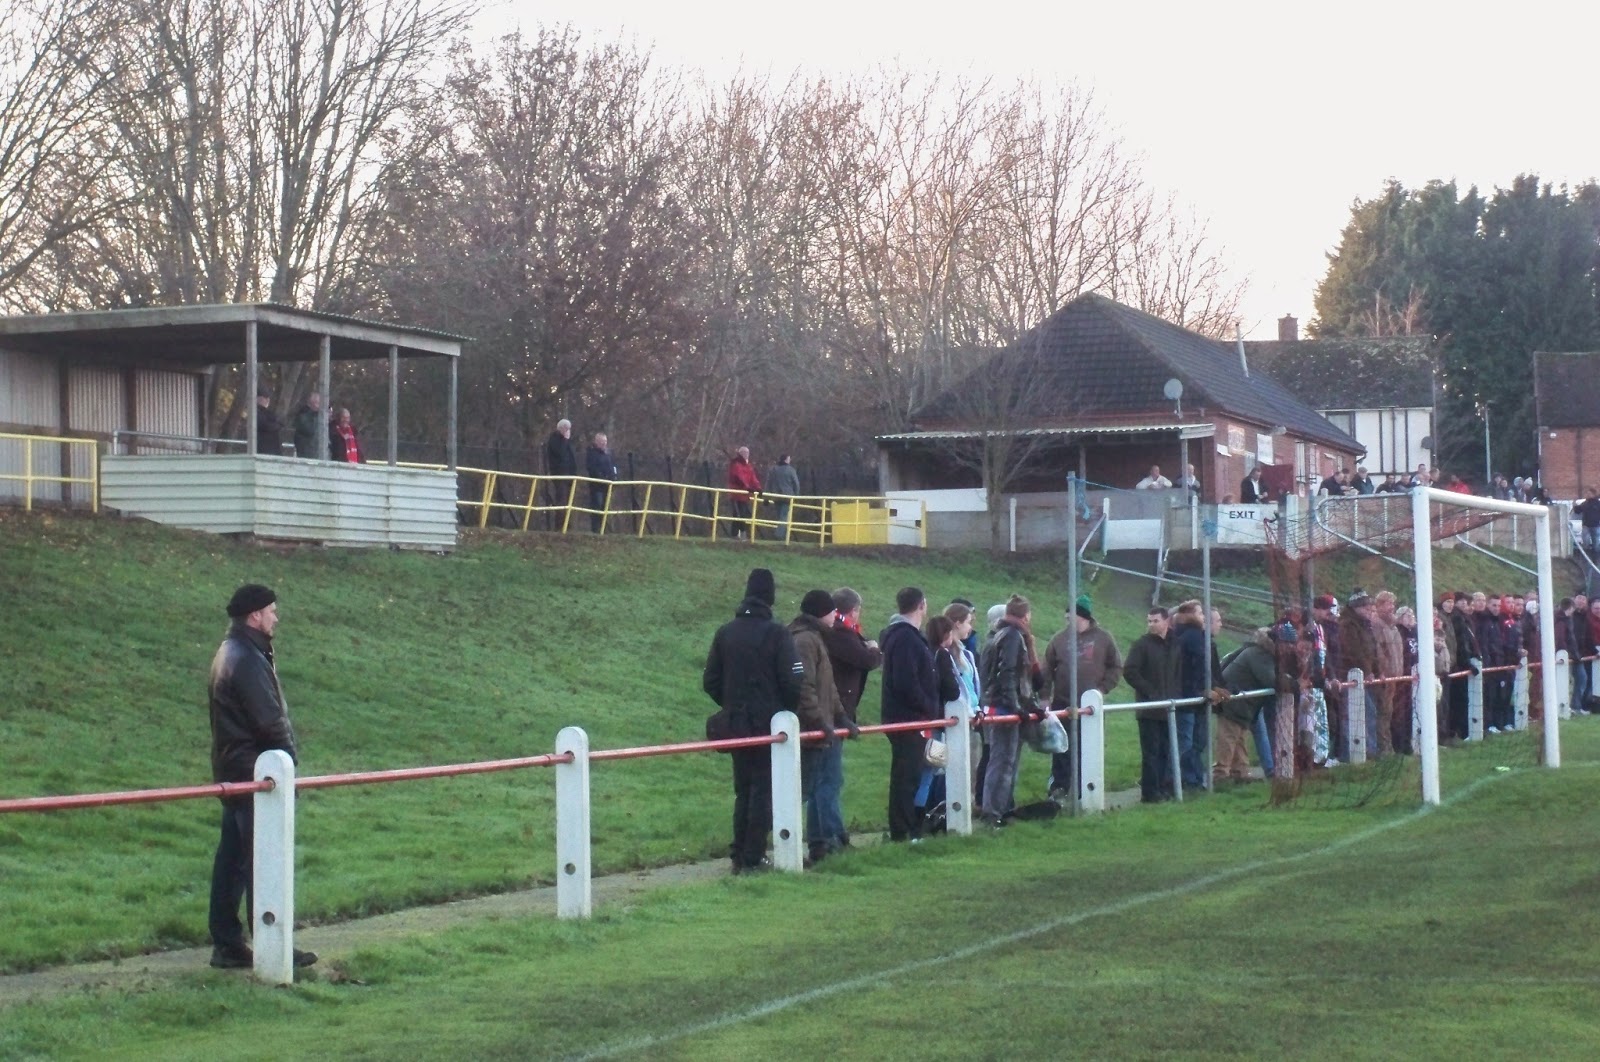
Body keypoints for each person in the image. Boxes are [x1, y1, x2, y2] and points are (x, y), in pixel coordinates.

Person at [206, 584, 315, 970]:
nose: (275, 618)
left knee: (233, 860)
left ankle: (227, 943)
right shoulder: (248, 659)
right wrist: (287, 768)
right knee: (263, 860)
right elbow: (269, 722)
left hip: (234, 771)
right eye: (271, 611)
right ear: (255, 615)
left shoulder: (232, 652)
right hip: (256, 775)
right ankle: (272, 946)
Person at [702, 568, 803, 874]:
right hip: (768, 725)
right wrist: (782, 712)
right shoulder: (777, 634)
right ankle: (753, 856)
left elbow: (710, 680)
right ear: (770, 596)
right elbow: (793, 682)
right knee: (763, 791)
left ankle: (739, 852)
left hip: (736, 724)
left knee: (743, 790)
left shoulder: (726, 633)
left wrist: (733, 705)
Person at [787, 589, 857, 865]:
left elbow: (828, 686)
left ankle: (827, 840)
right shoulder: (806, 640)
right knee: (815, 787)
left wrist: (840, 717)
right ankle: (819, 842)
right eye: (831, 612)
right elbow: (805, 686)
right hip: (813, 729)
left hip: (823, 726)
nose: (835, 617)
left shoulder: (815, 638)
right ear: (821, 613)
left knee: (826, 783)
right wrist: (819, 720)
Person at [1039, 595, 1121, 803]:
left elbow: (1115, 666)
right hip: (1062, 703)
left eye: (1071, 616)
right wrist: (1044, 696)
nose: (1068, 620)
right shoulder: (1059, 639)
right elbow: (1047, 669)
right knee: (1061, 747)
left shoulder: (1104, 639)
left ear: (1083, 616)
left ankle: (1086, 790)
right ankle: (1060, 788)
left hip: (1090, 706)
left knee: (1088, 748)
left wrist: (1101, 690)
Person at [822, 587, 882, 849]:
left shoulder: (841, 632)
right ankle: (830, 837)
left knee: (828, 778)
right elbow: (865, 659)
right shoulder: (841, 633)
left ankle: (831, 835)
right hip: (835, 713)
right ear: (854, 610)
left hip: (835, 711)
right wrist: (875, 649)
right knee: (829, 779)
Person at [880, 587, 940, 841]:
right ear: (922, 605)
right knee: (906, 778)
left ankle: (905, 829)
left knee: (908, 776)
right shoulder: (907, 639)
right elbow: (907, 682)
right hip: (908, 718)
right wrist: (928, 706)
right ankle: (902, 832)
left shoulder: (903, 637)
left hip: (905, 716)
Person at [978, 595, 1038, 824]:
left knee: (1002, 761)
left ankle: (1000, 810)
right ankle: (994, 813)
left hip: (998, 703)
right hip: (1004, 707)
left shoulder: (999, 634)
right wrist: (1016, 705)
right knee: (1003, 762)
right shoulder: (1013, 636)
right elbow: (1008, 672)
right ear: (1025, 616)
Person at [1123, 606, 1180, 802]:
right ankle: (1149, 792)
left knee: (1165, 750)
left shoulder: (1175, 644)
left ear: (1167, 621)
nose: (1151, 625)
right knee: (1151, 752)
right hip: (1148, 709)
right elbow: (1130, 671)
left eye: (1155, 621)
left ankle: (1162, 788)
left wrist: (1175, 694)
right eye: (1149, 621)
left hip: (1168, 707)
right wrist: (1150, 692)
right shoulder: (1141, 645)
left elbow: (1178, 672)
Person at [1172, 600, 1224, 790]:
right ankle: (1190, 779)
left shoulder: (1192, 637)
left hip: (1195, 697)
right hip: (1190, 698)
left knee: (1195, 741)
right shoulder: (1192, 638)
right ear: (1190, 615)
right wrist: (1204, 689)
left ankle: (1194, 778)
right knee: (1190, 742)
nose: (1203, 617)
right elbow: (1194, 669)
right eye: (1200, 613)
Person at [1218, 628, 1277, 783]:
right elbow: (1270, 679)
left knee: (1239, 737)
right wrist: (1289, 681)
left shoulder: (1257, 652)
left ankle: (1240, 771)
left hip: (1240, 701)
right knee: (1229, 738)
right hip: (1233, 700)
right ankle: (1221, 773)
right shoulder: (1258, 655)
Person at [1340, 590, 1383, 757]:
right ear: (1355, 607)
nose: (1369, 609)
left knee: (1370, 713)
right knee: (1357, 715)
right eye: (1365, 606)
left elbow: (1372, 651)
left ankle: (1370, 748)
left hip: (1366, 677)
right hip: (1352, 677)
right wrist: (1366, 671)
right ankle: (1357, 751)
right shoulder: (1348, 626)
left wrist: (1377, 671)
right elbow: (1354, 651)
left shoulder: (1366, 625)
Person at [1371, 591, 1403, 756]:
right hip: (1384, 677)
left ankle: (1388, 746)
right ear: (1380, 605)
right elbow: (1378, 652)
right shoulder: (1377, 625)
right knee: (1382, 712)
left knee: (1388, 712)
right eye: (1389, 604)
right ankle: (1383, 748)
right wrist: (1382, 671)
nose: (1392, 607)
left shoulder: (1393, 627)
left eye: (1393, 604)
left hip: (1394, 677)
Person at [726, 446, 762, 539]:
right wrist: (747, 488)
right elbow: (738, 478)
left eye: (748, 453)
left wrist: (758, 488)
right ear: (741, 453)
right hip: (736, 494)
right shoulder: (736, 464)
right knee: (738, 514)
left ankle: (739, 534)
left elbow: (753, 478)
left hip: (744, 495)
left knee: (743, 514)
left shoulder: (748, 465)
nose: (747, 455)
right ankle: (737, 534)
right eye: (745, 453)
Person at [585, 432, 617, 533]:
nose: (604, 443)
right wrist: (602, 478)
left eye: (605, 441)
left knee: (604, 507)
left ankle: (603, 529)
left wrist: (613, 477)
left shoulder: (608, 454)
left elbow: (613, 467)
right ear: (596, 442)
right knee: (596, 507)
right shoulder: (592, 454)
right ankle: (596, 530)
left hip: (607, 485)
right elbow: (592, 469)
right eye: (601, 441)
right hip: (597, 486)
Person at [764, 454, 801, 538]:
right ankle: (779, 535)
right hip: (787, 496)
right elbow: (796, 484)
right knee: (784, 516)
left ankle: (782, 536)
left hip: (776, 496)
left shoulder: (773, 470)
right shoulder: (791, 470)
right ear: (786, 460)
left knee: (780, 516)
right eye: (789, 459)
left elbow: (768, 484)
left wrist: (766, 497)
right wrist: (796, 495)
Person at [291, 391, 322, 458]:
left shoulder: (315, 415)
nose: (320, 406)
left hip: (314, 451)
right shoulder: (303, 415)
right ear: (311, 403)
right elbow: (310, 430)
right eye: (318, 403)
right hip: (307, 451)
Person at [255, 391, 283, 455]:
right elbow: (265, 425)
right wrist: (278, 425)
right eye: (265, 398)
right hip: (265, 447)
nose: (268, 400)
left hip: (270, 448)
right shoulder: (258, 412)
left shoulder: (266, 413)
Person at [1576, 489, 1600, 554]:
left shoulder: (1598, 503)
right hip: (1586, 526)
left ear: (1594, 494)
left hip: (1595, 525)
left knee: (1596, 543)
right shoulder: (1585, 503)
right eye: (1587, 494)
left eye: (1589, 494)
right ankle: (1586, 555)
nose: (1588, 495)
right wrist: (1574, 505)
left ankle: (1596, 556)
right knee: (1585, 542)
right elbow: (1578, 511)